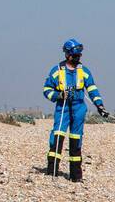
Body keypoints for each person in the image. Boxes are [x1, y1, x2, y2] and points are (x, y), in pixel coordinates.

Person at [42, 38, 107, 181]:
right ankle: (52, 171)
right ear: (67, 55)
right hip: (62, 107)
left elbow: (92, 90)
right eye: (75, 55)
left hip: (79, 107)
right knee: (57, 135)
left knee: (76, 139)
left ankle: (75, 176)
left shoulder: (84, 71)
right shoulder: (57, 71)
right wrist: (58, 95)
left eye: (79, 55)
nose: (78, 58)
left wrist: (100, 106)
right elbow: (46, 89)